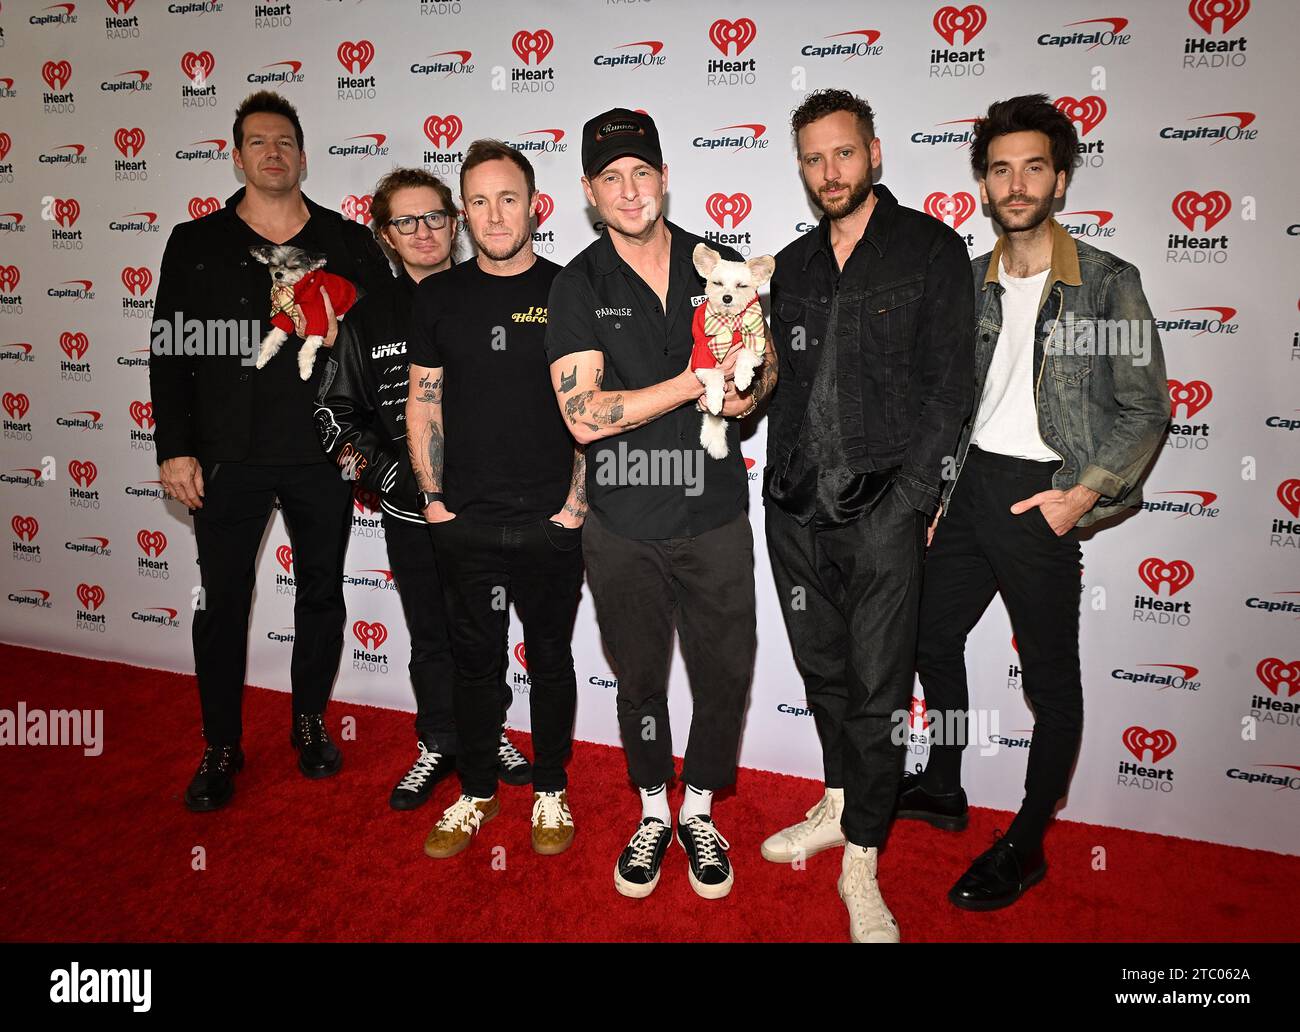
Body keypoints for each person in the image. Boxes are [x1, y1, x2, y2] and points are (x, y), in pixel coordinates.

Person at [903, 94, 1169, 910]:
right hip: (971, 482)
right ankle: (944, 783)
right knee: (926, 635)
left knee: (1050, 682)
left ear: (1060, 179)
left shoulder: (1103, 285)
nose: (1016, 184)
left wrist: (1080, 496)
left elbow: (1146, 407)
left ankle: (1024, 841)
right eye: (1000, 169)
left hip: (1043, 495)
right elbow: (949, 397)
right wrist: (941, 487)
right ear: (983, 183)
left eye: (1034, 167)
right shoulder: (967, 283)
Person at [544, 108, 777, 900]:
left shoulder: (722, 263)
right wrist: (689, 383)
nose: (629, 189)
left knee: (725, 673)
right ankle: (652, 809)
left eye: (641, 171)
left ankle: (701, 809)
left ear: (665, 175)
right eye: (610, 177)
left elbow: (763, 365)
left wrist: (749, 390)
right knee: (640, 679)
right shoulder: (576, 284)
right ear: (588, 191)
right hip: (623, 527)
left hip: (713, 516)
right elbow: (584, 415)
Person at [759, 89, 974, 942]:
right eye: (813, 158)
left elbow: (950, 387)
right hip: (795, 507)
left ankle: (863, 859)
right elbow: (770, 388)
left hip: (885, 507)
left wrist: (917, 500)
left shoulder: (929, 249)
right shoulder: (790, 266)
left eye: (842, 154)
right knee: (825, 677)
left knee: (882, 688)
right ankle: (841, 803)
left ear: (875, 154)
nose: (828, 172)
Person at [150, 91, 391, 812]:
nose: (273, 152)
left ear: (303, 155)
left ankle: (310, 721)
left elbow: (381, 346)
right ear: (237, 156)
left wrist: (372, 444)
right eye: (258, 142)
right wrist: (174, 448)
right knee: (223, 603)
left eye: (284, 140)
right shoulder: (195, 243)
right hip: (227, 457)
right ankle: (221, 743)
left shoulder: (348, 241)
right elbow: (171, 353)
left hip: (323, 453)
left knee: (322, 592)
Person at [314, 167, 534, 811]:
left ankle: (488, 735)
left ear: (456, 221)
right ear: (385, 234)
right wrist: (391, 476)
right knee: (431, 633)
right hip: (411, 512)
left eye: (435, 216)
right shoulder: (366, 318)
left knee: (486, 628)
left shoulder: (491, 296)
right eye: (405, 221)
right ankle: (439, 739)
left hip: (490, 507)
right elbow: (334, 415)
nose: (423, 232)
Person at [406, 141, 586, 859]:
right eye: (477, 201)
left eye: (507, 197)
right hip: (465, 523)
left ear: (535, 203)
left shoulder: (570, 289)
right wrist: (435, 501)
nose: (493, 214)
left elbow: (589, 403)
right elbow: (425, 403)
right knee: (474, 665)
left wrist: (573, 508)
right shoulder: (436, 296)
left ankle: (550, 788)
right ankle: (476, 791)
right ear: (463, 213)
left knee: (551, 658)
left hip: (550, 522)